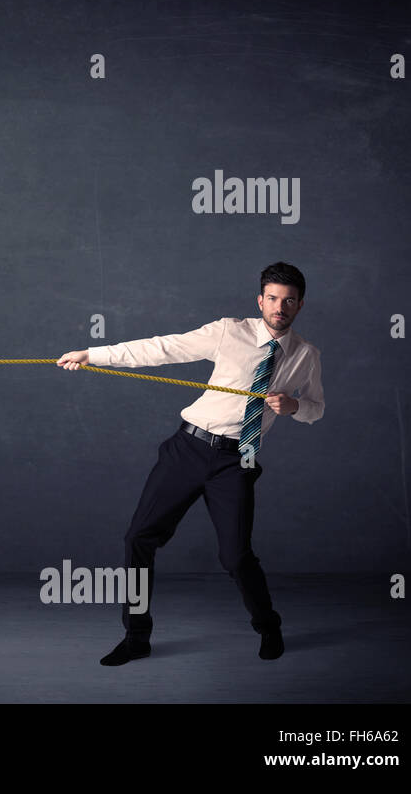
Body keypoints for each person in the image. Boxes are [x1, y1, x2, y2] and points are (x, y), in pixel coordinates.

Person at [56, 262, 323, 665]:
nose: (279, 307)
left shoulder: (306, 355)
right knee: (138, 538)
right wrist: (92, 355)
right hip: (189, 448)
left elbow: (316, 408)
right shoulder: (229, 331)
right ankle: (136, 637)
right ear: (260, 300)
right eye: (272, 298)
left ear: (300, 305)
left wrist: (295, 406)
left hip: (238, 459)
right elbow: (162, 348)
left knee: (236, 557)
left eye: (288, 301)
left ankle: (269, 626)